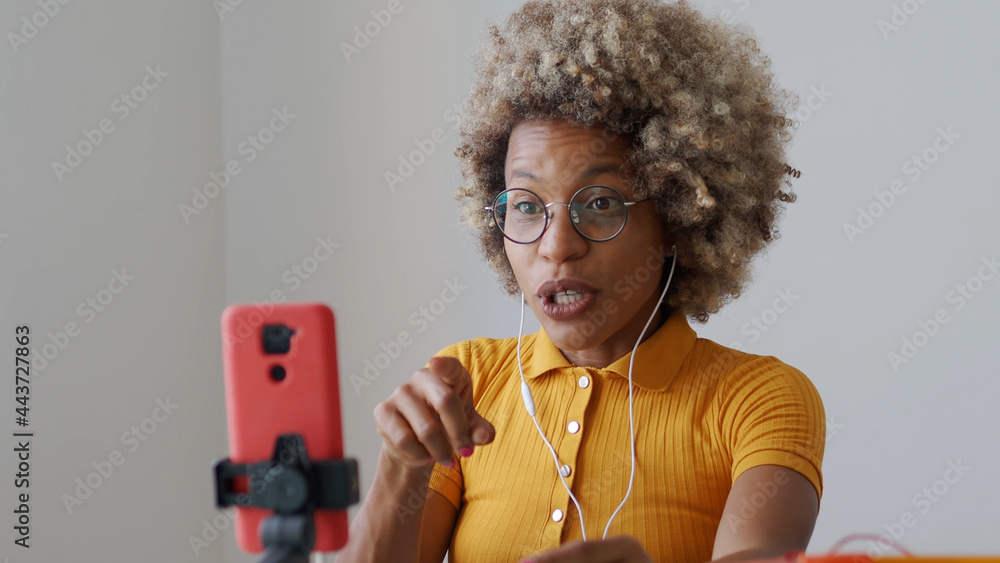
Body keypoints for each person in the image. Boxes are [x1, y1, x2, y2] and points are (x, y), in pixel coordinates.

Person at [336, 0, 825, 561]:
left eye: (599, 202)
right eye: (525, 205)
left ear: (677, 216)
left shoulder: (756, 399)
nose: (556, 245)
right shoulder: (466, 384)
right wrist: (403, 464)